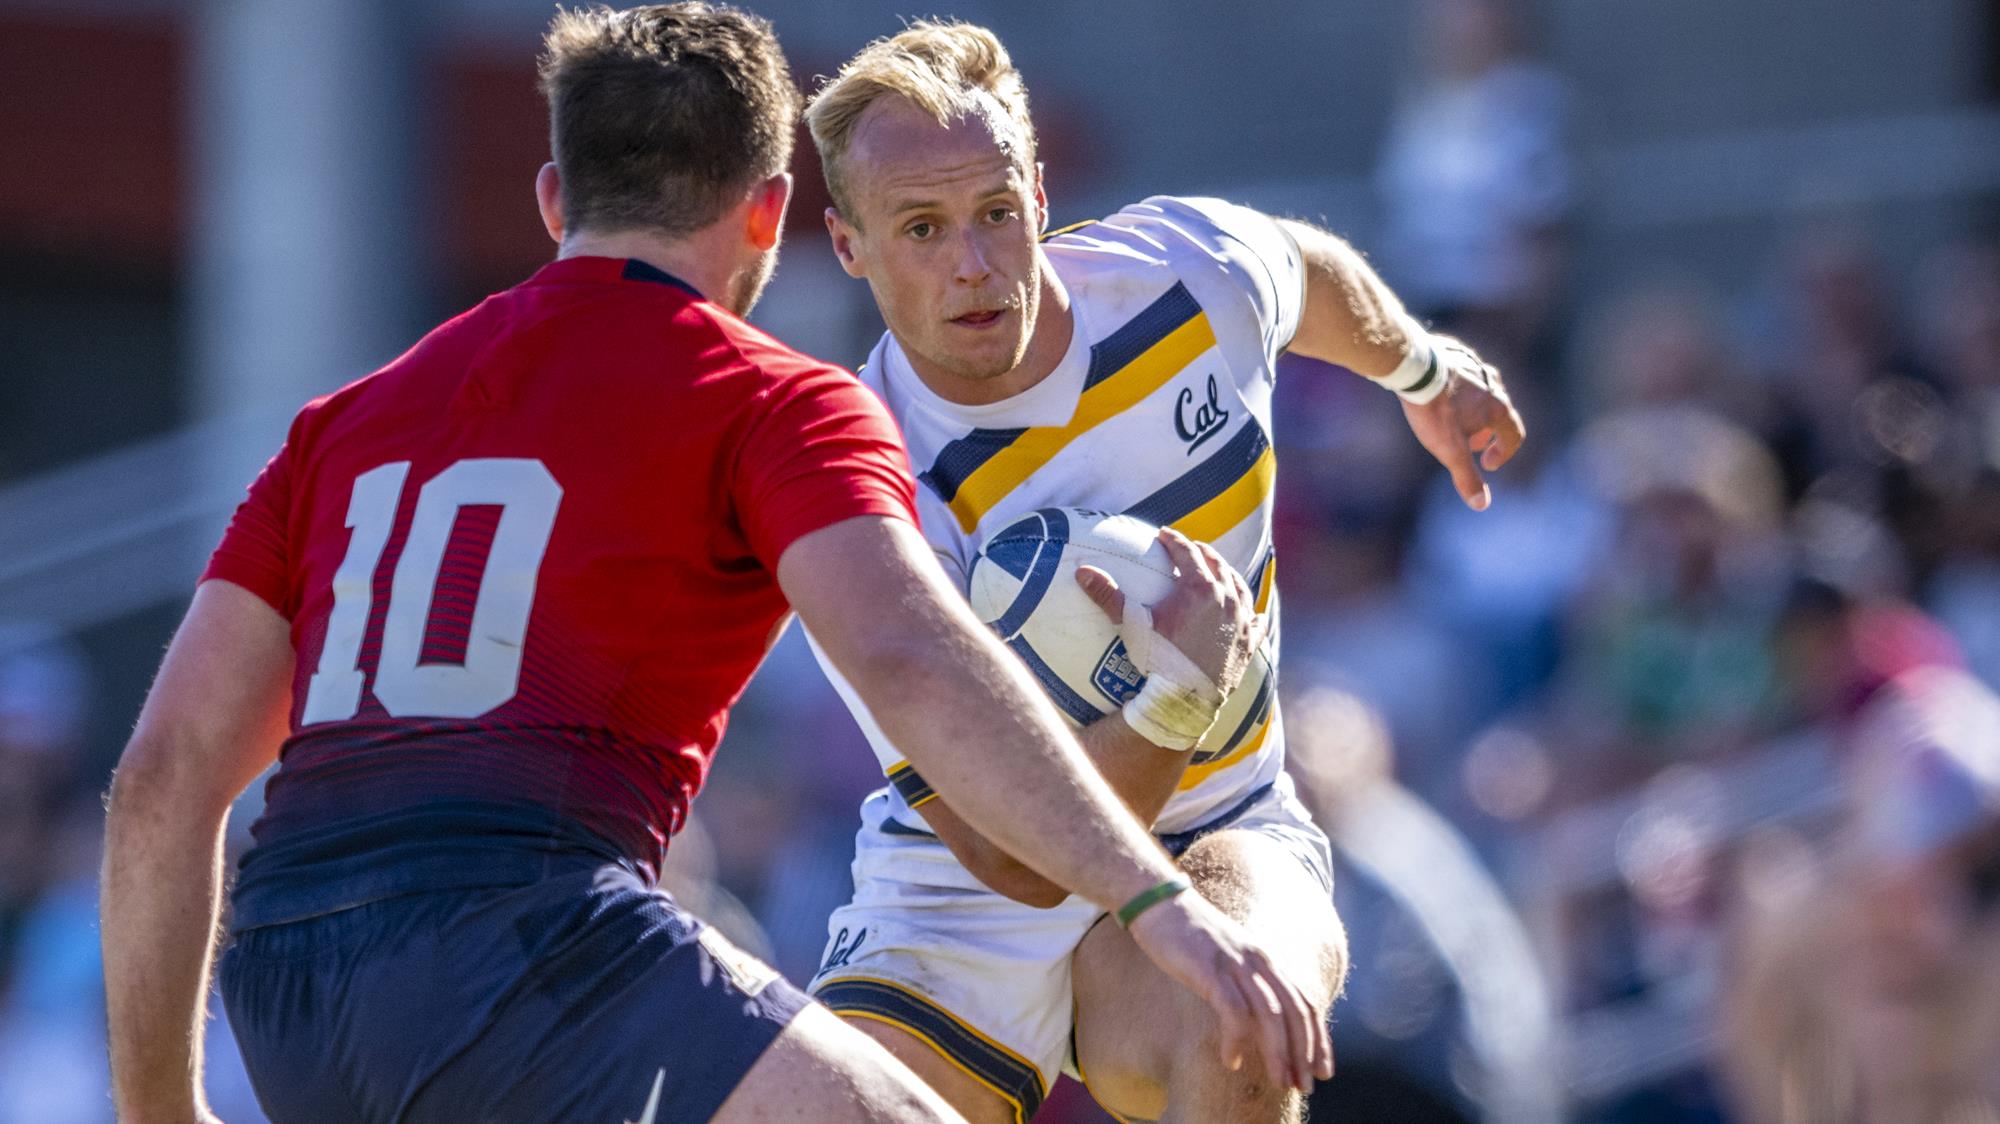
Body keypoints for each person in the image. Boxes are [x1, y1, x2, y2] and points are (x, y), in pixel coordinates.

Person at [97, 7, 1329, 1123]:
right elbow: (909, 656)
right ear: (768, 211)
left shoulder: (338, 426)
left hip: (289, 983)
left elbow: (161, 779)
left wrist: (162, 1111)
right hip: (529, 936)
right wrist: (1155, 900)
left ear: (551, 197)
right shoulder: (772, 399)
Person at [797, 22, 1524, 1124]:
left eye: (995, 211)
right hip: (965, 884)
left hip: (1221, 817)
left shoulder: (1180, 277)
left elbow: (1306, 271)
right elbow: (1015, 860)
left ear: (1040, 194)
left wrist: (1421, 367)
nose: (973, 263)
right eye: (921, 228)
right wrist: (1175, 693)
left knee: (1240, 1020)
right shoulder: (857, 488)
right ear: (847, 246)